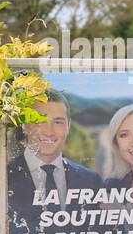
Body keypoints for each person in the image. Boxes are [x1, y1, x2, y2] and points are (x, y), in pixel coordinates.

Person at [7, 90, 102, 225]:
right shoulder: (5, 177)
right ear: (24, 125)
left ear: (68, 126)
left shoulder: (91, 181)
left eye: (58, 122)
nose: (49, 132)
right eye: (40, 121)